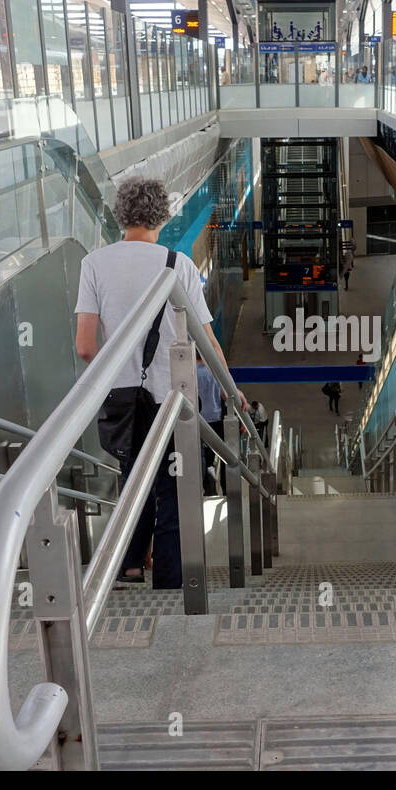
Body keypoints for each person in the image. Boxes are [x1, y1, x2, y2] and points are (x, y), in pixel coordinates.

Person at [75, 176, 245, 588]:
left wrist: (116, 375)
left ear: (121, 214)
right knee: (174, 485)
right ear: (162, 217)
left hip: (123, 398)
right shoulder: (177, 265)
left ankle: (129, 566)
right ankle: (170, 581)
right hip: (174, 397)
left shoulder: (94, 264)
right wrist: (230, 389)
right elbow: (206, 342)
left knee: (134, 479)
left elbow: (84, 346)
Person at [196, 353, 225, 495]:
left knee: (200, 453)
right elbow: (224, 393)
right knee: (224, 453)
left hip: (199, 418)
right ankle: (226, 488)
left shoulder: (189, 372)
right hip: (216, 417)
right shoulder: (214, 371)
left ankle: (205, 483)